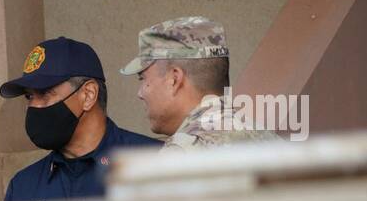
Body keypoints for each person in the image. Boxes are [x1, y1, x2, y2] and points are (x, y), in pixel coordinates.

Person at [0, 36, 157, 201]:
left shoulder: (156, 164)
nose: (34, 106)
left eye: (45, 94)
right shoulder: (23, 187)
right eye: (29, 97)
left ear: (88, 95)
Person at [119, 16, 282, 149]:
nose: (140, 93)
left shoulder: (184, 151)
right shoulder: (267, 140)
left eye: (143, 79)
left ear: (174, 79)